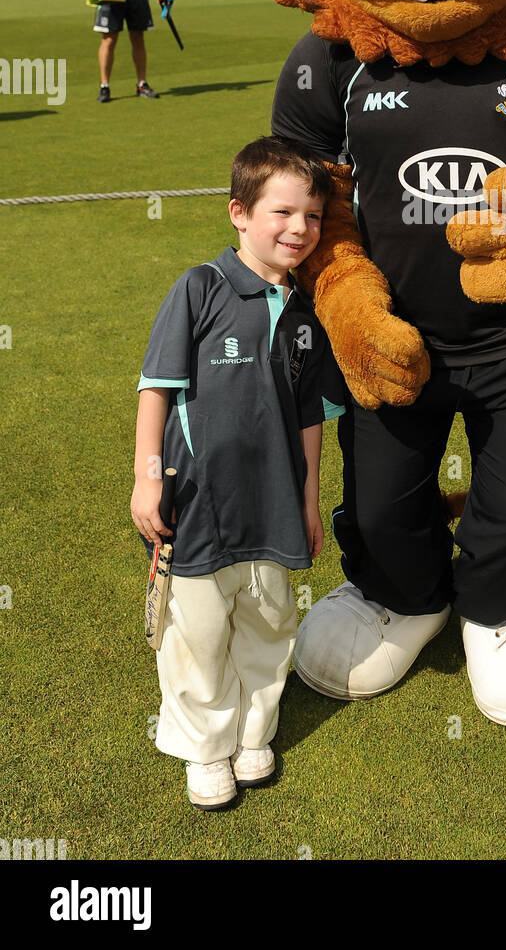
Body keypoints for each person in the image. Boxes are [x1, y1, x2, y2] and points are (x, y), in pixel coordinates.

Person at [130, 137, 346, 809]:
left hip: (275, 503)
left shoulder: (308, 317)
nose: (298, 229)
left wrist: (309, 502)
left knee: (268, 622)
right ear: (239, 213)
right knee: (196, 635)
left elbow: (309, 418)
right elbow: (155, 389)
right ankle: (203, 747)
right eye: (282, 212)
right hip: (197, 503)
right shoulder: (202, 287)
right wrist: (146, 477)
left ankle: (255, 735)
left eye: (311, 216)